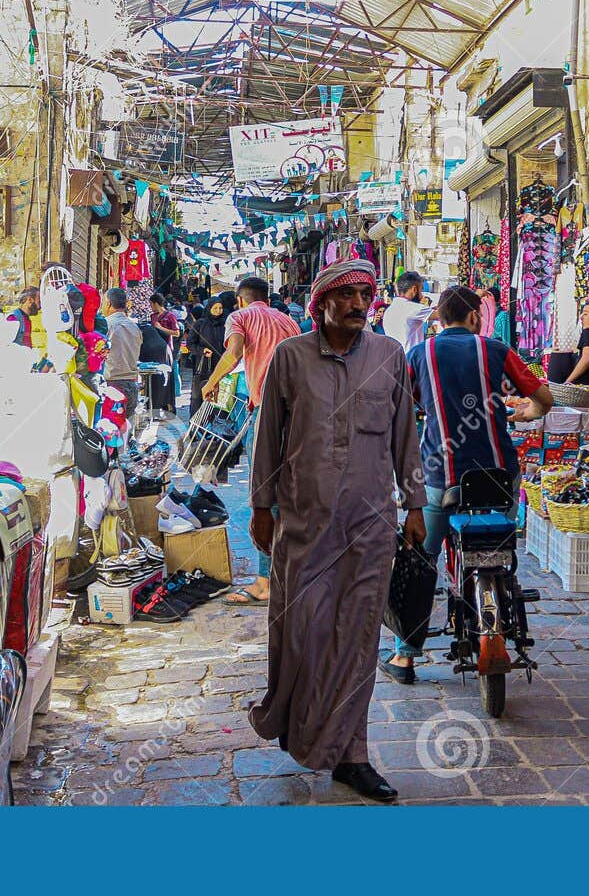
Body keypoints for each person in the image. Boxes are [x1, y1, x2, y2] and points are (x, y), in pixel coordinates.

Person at [247, 259, 425, 802]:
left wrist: (414, 504)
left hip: (370, 526)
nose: (357, 303)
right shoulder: (290, 358)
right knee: (302, 633)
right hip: (303, 525)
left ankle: (353, 755)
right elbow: (268, 440)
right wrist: (261, 508)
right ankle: (295, 720)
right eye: (345, 294)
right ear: (321, 302)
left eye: (364, 294)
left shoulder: (390, 356)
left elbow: (405, 437)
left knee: (356, 639)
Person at [384, 285, 553, 682]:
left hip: (440, 477)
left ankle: (405, 656)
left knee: (420, 559)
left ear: (438, 319)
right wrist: (527, 413)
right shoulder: (495, 350)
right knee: (499, 546)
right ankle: (501, 598)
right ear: (476, 317)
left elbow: (396, 409)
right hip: (498, 476)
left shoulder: (418, 354)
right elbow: (544, 396)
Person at [204, 277, 301, 605]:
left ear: (241, 301)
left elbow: (233, 353)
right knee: (288, 495)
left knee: (265, 497)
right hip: (297, 414)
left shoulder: (240, 317)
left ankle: (265, 581)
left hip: (269, 414)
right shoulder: (288, 320)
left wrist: (211, 382)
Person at [186, 290, 234, 419]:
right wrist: (202, 351)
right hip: (204, 368)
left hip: (223, 366)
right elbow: (190, 344)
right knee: (199, 398)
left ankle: (218, 430)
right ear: (209, 308)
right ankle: (198, 430)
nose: (218, 311)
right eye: (215, 308)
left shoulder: (226, 324)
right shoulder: (200, 324)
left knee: (221, 399)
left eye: (220, 308)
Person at [101, 286, 144, 422]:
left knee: (110, 434)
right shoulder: (134, 327)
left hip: (112, 386)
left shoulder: (105, 325)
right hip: (131, 385)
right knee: (125, 431)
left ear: (108, 303)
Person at [381, 270, 432, 352]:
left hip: (396, 360)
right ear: (414, 289)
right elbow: (444, 314)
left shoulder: (389, 310)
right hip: (412, 361)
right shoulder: (414, 308)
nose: (422, 295)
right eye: (421, 290)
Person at [150, 292, 181, 408]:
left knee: (167, 376)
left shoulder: (170, 316)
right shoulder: (153, 316)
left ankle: (168, 404)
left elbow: (176, 333)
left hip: (166, 349)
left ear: (155, 303)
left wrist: (160, 328)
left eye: (151, 304)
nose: (150, 307)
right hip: (154, 349)